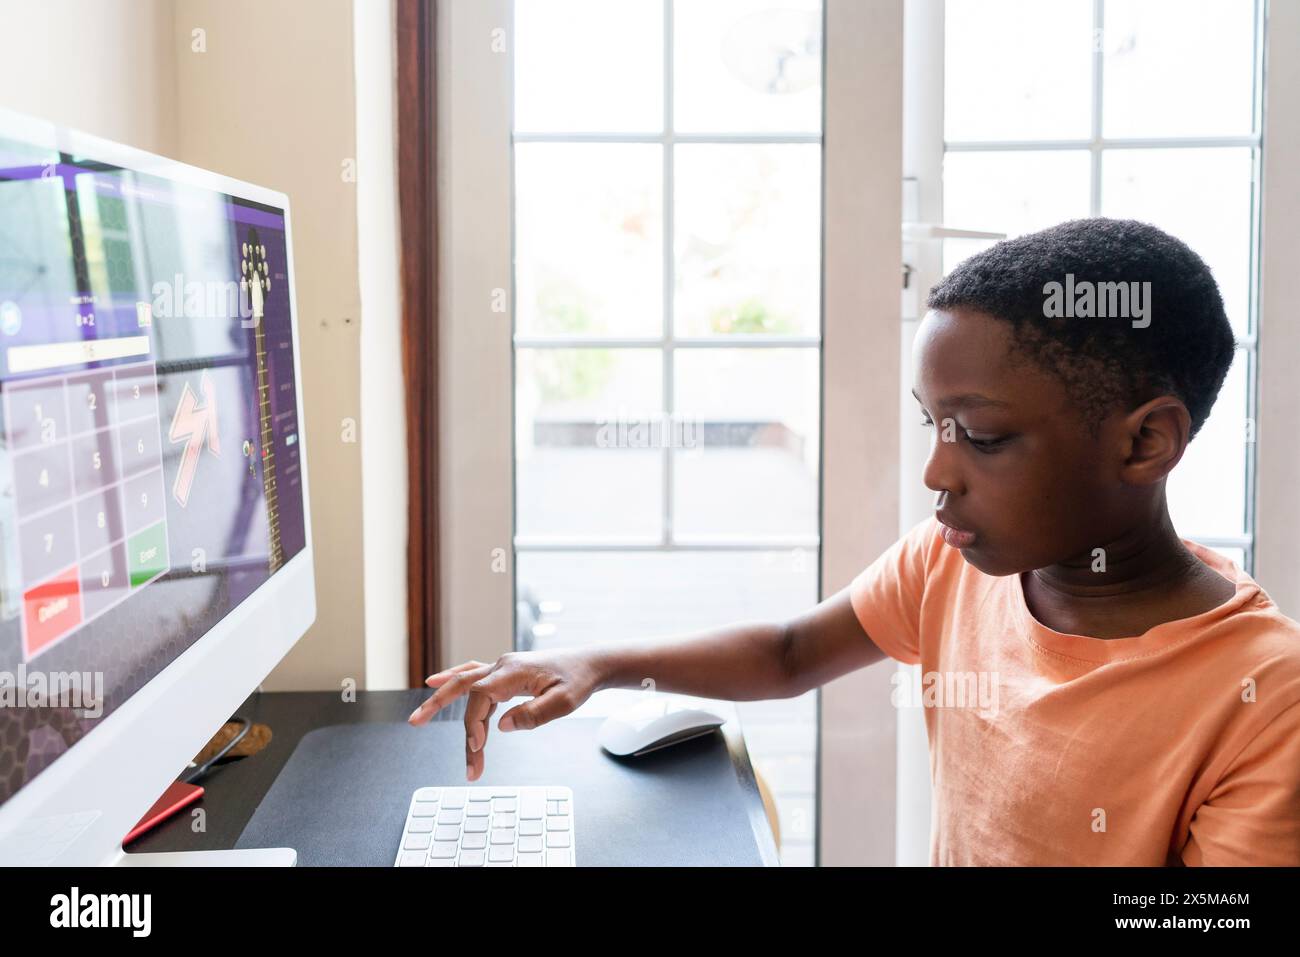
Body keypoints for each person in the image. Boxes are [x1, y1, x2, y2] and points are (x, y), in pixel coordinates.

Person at [410, 218, 1300, 865]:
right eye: (933, 425)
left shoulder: (1266, 701)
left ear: (1146, 442)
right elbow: (790, 652)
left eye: (981, 437)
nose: (936, 474)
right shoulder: (951, 562)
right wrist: (595, 661)